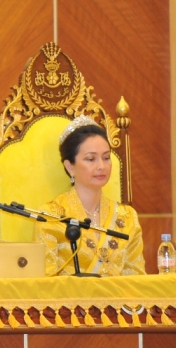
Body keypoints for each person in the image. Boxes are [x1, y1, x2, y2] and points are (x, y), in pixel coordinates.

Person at [34, 117, 145, 276]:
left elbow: (137, 279)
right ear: (70, 167)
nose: (101, 166)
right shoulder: (51, 217)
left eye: (106, 158)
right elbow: (46, 282)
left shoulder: (127, 217)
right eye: (91, 159)